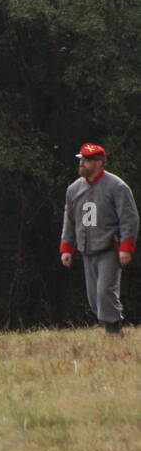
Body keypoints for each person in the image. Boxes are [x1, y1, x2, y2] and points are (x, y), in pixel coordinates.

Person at [59, 143, 137, 334]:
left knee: (105, 292)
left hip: (109, 248)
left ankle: (114, 330)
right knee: (94, 297)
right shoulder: (73, 189)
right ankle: (109, 326)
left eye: (87, 160)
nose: (83, 164)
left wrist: (126, 247)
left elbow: (129, 218)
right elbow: (69, 220)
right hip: (87, 249)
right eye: (82, 160)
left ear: (99, 163)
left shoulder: (117, 187)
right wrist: (67, 248)